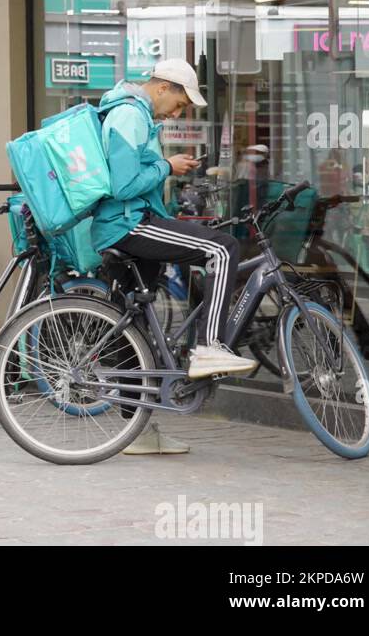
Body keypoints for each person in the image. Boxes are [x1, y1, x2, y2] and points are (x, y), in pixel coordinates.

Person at [92, 59, 259, 454]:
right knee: (222, 247)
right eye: (181, 103)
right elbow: (123, 184)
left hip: (124, 224)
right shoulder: (130, 116)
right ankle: (209, 347)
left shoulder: (129, 113)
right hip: (128, 223)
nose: (179, 113)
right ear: (163, 87)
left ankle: (136, 434)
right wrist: (168, 165)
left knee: (132, 330)